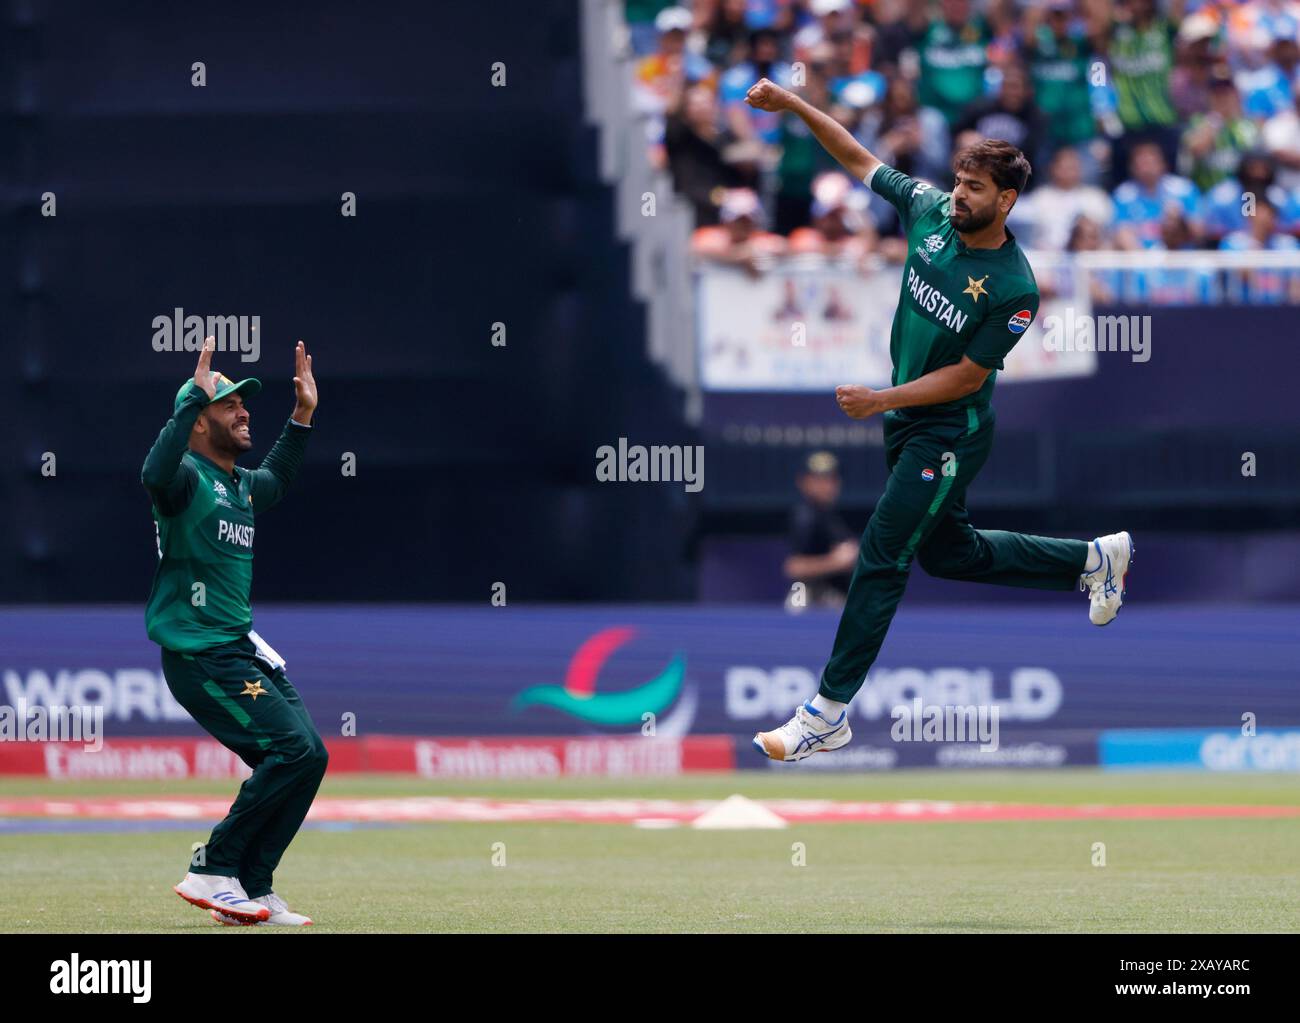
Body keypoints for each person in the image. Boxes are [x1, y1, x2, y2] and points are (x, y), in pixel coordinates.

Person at [742, 77, 1133, 762]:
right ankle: (1094, 559)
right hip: (908, 424)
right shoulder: (929, 214)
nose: (959, 194)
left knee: (883, 552)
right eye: (958, 179)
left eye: (975, 188)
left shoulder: (1015, 287)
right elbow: (860, 159)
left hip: (950, 432)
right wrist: (795, 105)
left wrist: (881, 399)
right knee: (951, 554)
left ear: (1006, 200)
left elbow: (968, 377)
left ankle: (826, 712)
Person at [144, 337, 325, 925]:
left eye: (244, 403)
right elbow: (154, 473)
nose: (244, 411)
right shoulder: (186, 482)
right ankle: (210, 867)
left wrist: (301, 417)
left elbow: (278, 478)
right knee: (288, 748)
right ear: (198, 423)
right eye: (228, 405)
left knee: (310, 756)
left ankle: (249, 885)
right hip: (201, 655)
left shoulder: (239, 486)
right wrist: (187, 401)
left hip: (239, 650)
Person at [785, 451, 859, 608]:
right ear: (803, 482)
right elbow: (794, 567)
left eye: (831, 479)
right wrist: (836, 561)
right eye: (819, 479)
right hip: (811, 600)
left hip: (834, 600)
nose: (827, 486)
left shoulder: (829, 516)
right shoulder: (805, 517)